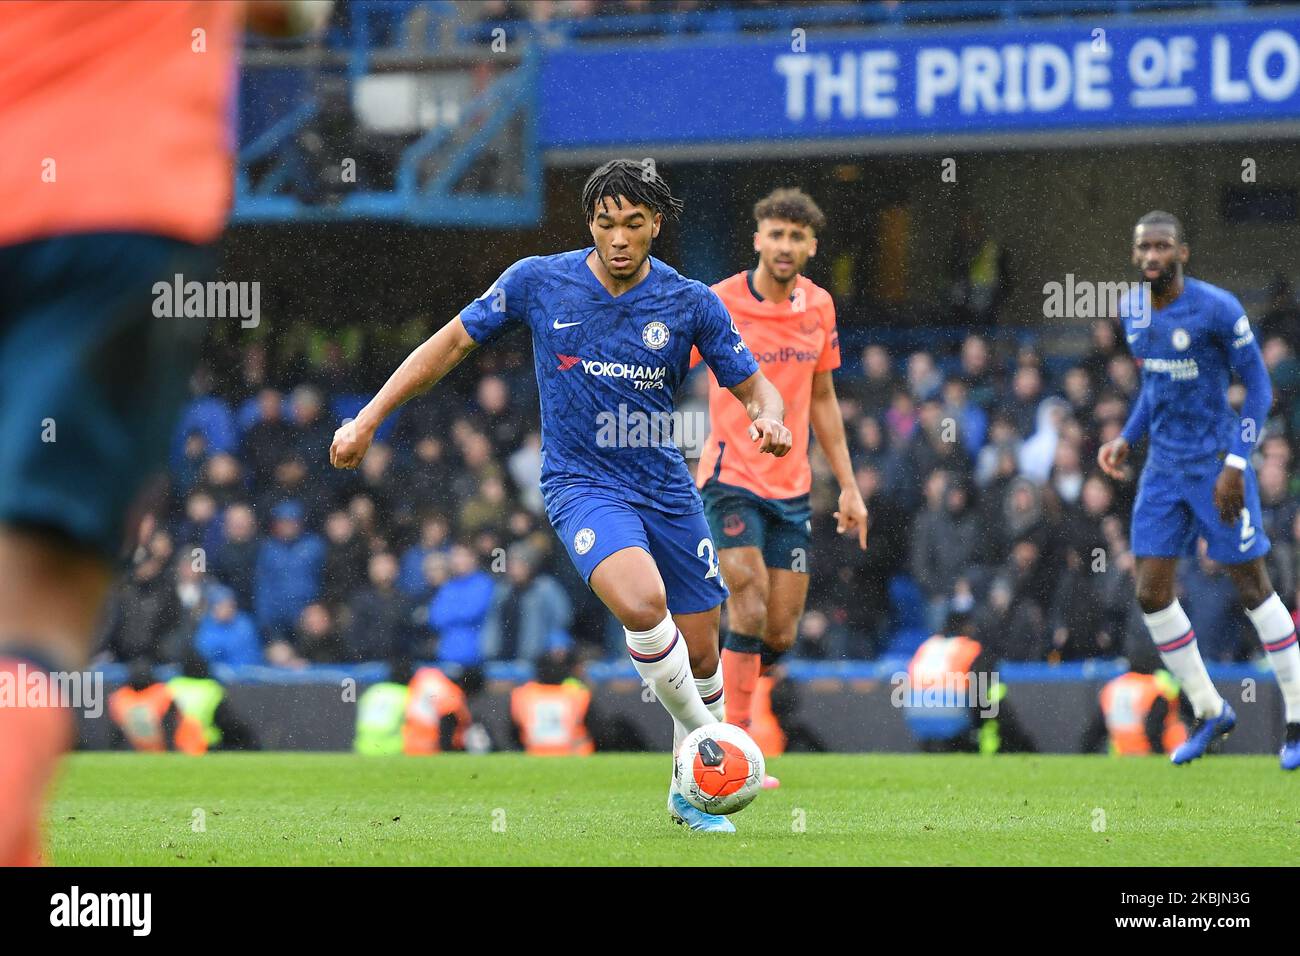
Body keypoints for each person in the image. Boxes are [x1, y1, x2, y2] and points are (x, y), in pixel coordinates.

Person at [331, 158, 792, 832]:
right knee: (642, 601)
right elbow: (450, 343)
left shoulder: (691, 301)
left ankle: (689, 795)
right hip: (583, 484)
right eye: (607, 224)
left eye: (634, 224)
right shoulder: (537, 281)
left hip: (665, 487)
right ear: (591, 225)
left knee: (700, 652)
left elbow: (753, 383)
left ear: (655, 224)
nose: (620, 239)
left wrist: (768, 416)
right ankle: (715, 747)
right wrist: (369, 417)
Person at [1097, 210, 1300, 769]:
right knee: (1150, 593)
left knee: (1252, 585)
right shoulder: (1132, 310)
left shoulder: (1217, 307)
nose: (1152, 257)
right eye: (1143, 248)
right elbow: (1154, 385)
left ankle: (1297, 720)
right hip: (1162, 470)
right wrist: (1126, 439)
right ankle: (1212, 711)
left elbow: (1257, 386)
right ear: (1135, 255)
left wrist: (1238, 460)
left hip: (1216, 466)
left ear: (1182, 253)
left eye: (1162, 246)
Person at [692, 188, 867, 792]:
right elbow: (668, 367)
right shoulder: (719, 301)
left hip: (791, 489)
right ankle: (732, 743)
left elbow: (822, 399)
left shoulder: (819, 307)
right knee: (748, 595)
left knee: (780, 629)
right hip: (728, 477)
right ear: (757, 238)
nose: (786, 245)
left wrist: (847, 486)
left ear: (811, 246)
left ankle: (720, 699)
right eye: (776, 233)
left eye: (797, 237)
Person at [1080, 663, 1188, 756]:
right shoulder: (1157, 686)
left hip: (1124, 754)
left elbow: (1094, 732)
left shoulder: (1112, 687)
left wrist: (1084, 754)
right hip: (1168, 752)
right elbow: (1153, 729)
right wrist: (1159, 753)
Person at [108, 659, 208, 756]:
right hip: (146, 748)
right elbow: (117, 731)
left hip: (180, 746)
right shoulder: (120, 696)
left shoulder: (161, 693)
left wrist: (170, 752)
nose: (140, 677)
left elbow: (172, 726)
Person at [168, 651, 260, 751]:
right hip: (205, 746)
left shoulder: (172, 686)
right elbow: (229, 722)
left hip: (173, 745)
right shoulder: (211, 688)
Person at [510, 650, 595, 756]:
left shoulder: (521, 694)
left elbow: (511, 731)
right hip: (574, 756)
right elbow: (597, 728)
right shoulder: (579, 695)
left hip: (533, 754)